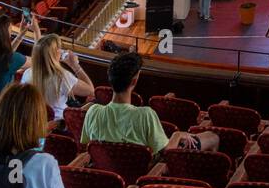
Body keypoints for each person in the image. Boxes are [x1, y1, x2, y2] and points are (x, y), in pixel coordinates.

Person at [82, 52, 219, 156]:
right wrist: (177, 135)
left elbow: (87, 147)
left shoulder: (93, 112)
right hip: (145, 171)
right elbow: (166, 153)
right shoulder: (145, 115)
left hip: (109, 174)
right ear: (135, 81)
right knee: (213, 137)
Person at [25, 35, 92, 120]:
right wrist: (76, 66)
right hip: (57, 124)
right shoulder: (62, 77)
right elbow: (90, 90)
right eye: (59, 48)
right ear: (55, 53)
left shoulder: (27, 73)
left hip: (34, 121)